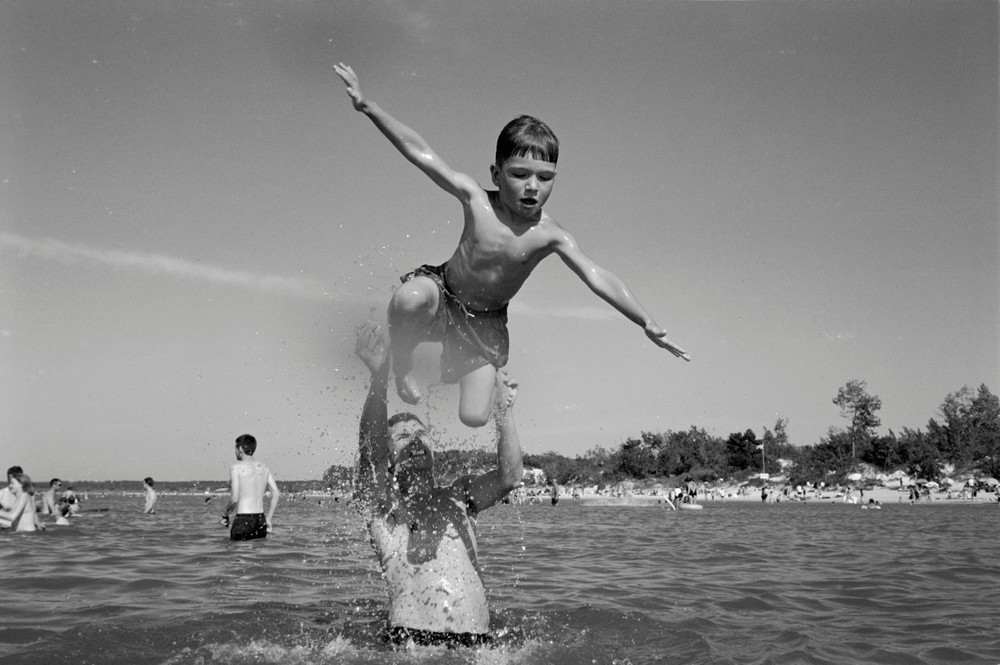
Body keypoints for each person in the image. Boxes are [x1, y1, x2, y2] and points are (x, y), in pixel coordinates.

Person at [334, 64, 690, 428]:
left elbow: (598, 276)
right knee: (408, 298)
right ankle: (404, 361)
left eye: (544, 177)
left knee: (474, 417)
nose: (533, 186)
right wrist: (368, 107)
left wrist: (645, 320)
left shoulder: (551, 234)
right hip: (443, 292)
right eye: (520, 175)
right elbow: (421, 153)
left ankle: (486, 383)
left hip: (484, 323)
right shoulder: (476, 200)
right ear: (496, 174)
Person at [353, 321, 523, 647]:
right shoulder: (384, 506)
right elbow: (370, 451)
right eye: (402, 437)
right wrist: (379, 378)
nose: (414, 440)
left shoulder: (460, 495)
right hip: (412, 643)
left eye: (420, 434)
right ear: (390, 457)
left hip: (478, 644)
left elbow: (510, 477)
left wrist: (503, 411)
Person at [222, 434, 280, 541]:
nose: (235, 452)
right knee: (257, 556)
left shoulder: (236, 468)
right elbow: (276, 494)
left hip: (244, 519)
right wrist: (268, 519)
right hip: (260, 520)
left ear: (240, 449)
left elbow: (234, 499)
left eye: (235, 448)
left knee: (238, 555)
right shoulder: (264, 468)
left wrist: (225, 514)